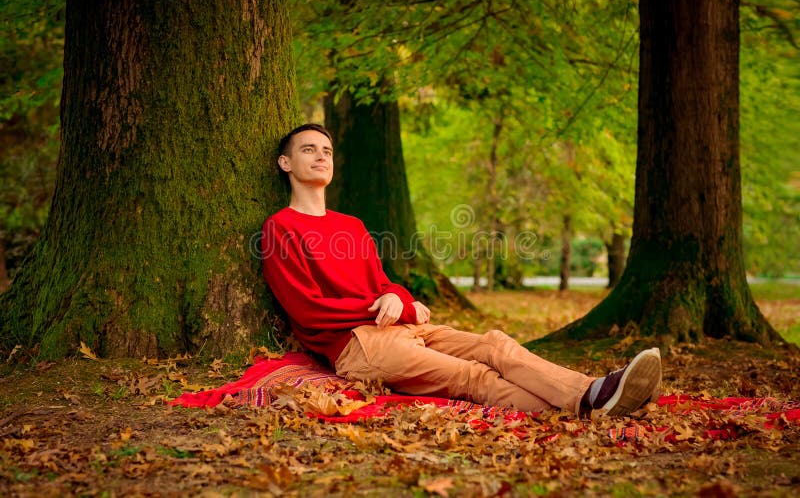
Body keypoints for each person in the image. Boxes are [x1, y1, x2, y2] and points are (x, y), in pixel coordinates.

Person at [261, 123, 661, 417]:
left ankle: (593, 392)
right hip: (359, 345)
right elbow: (307, 310)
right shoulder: (281, 228)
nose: (320, 157)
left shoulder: (351, 225)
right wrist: (389, 306)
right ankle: (587, 406)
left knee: (495, 344)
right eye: (308, 149)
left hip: (400, 326)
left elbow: (386, 286)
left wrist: (399, 300)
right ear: (285, 162)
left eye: (327, 151)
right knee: (475, 377)